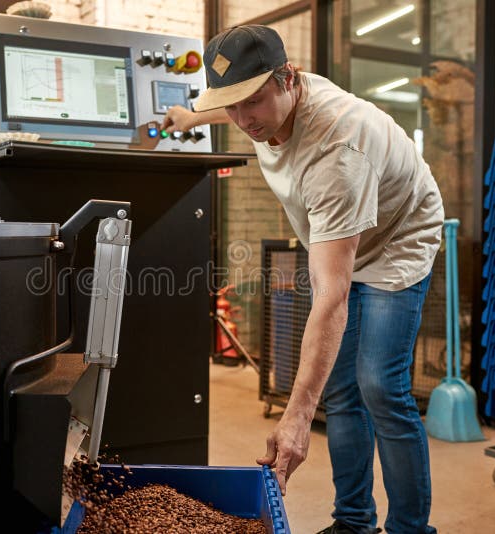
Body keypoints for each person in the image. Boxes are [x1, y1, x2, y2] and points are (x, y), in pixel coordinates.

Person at [163, 25, 443, 534]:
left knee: (379, 384)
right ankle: (354, 521)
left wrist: (294, 417)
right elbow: (234, 98)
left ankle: (410, 528)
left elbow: (332, 296)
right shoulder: (258, 100)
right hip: (342, 236)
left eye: (253, 101)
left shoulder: (337, 146)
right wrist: (189, 116)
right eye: (232, 105)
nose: (244, 119)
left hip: (398, 238)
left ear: (288, 78)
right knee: (340, 387)